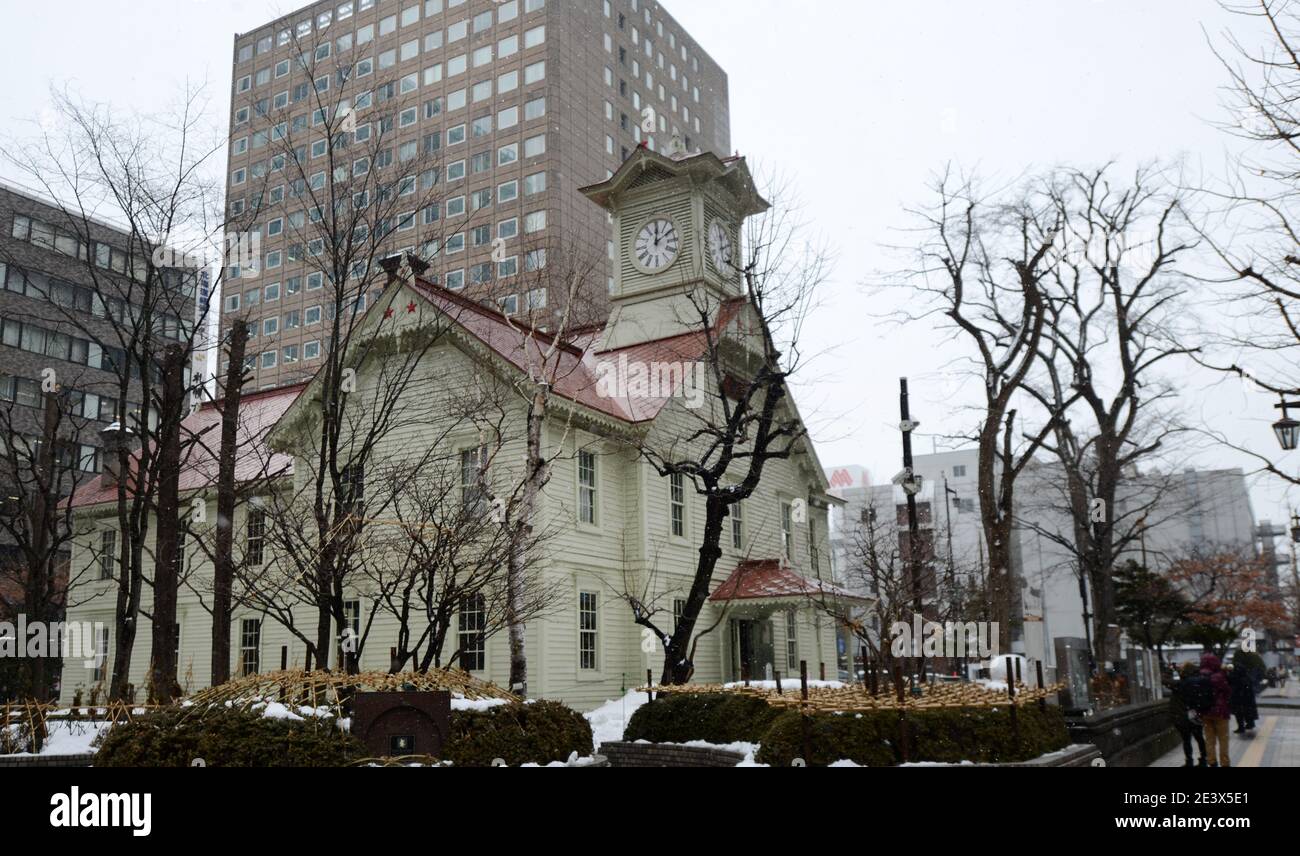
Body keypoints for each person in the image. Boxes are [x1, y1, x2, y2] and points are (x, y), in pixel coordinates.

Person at [1168, 663, 1207, 767]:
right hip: (1196, 714)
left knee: (1186, 740)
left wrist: (1171, 670)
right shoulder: (1199, 682)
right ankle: (1204, 760)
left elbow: (1166, 681)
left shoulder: (1181, 684)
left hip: (1183, 716)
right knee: (1199, 738)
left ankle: (1189, 761)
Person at [1199, 652, 1233, 767]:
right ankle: (1225, 763)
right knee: (1223, 740)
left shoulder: (1200, 676)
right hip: (1220, 712)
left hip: (1205, 711)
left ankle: (1212, 762)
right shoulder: (1219, 677)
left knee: (1209, 740)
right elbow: (1228, 691)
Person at [1228, 663, 1258, 733]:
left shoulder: (1235, 677)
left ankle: (1241, 727)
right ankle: (1250, 724)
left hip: (1238, 699)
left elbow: (1231, 684)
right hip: (1247, 699)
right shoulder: (1247, 677)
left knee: (1239, 714)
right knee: (1248, 712)